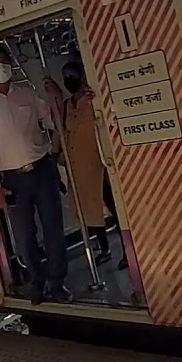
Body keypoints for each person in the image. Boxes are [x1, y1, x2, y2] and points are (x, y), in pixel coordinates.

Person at [0, 44, 71, 305]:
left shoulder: (28, 95)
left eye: (4, 61)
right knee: (24, 236)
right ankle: (36, 282)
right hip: (12, 180)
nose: (0, 67)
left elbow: (52, 121)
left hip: (43, 170)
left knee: (53, 230)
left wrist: (56, 97)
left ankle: (57, 282)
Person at [47, 61, 127, 270]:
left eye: (72, 75)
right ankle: (105, 249)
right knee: (89, 212)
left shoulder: (93, 98)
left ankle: (129, 250)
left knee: (114, 208)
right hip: (78, 167)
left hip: (99, 165)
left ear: (83, 76)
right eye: (66, 77)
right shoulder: (66, 105)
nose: (69, 81)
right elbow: (59, 131)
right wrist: (54, 156)